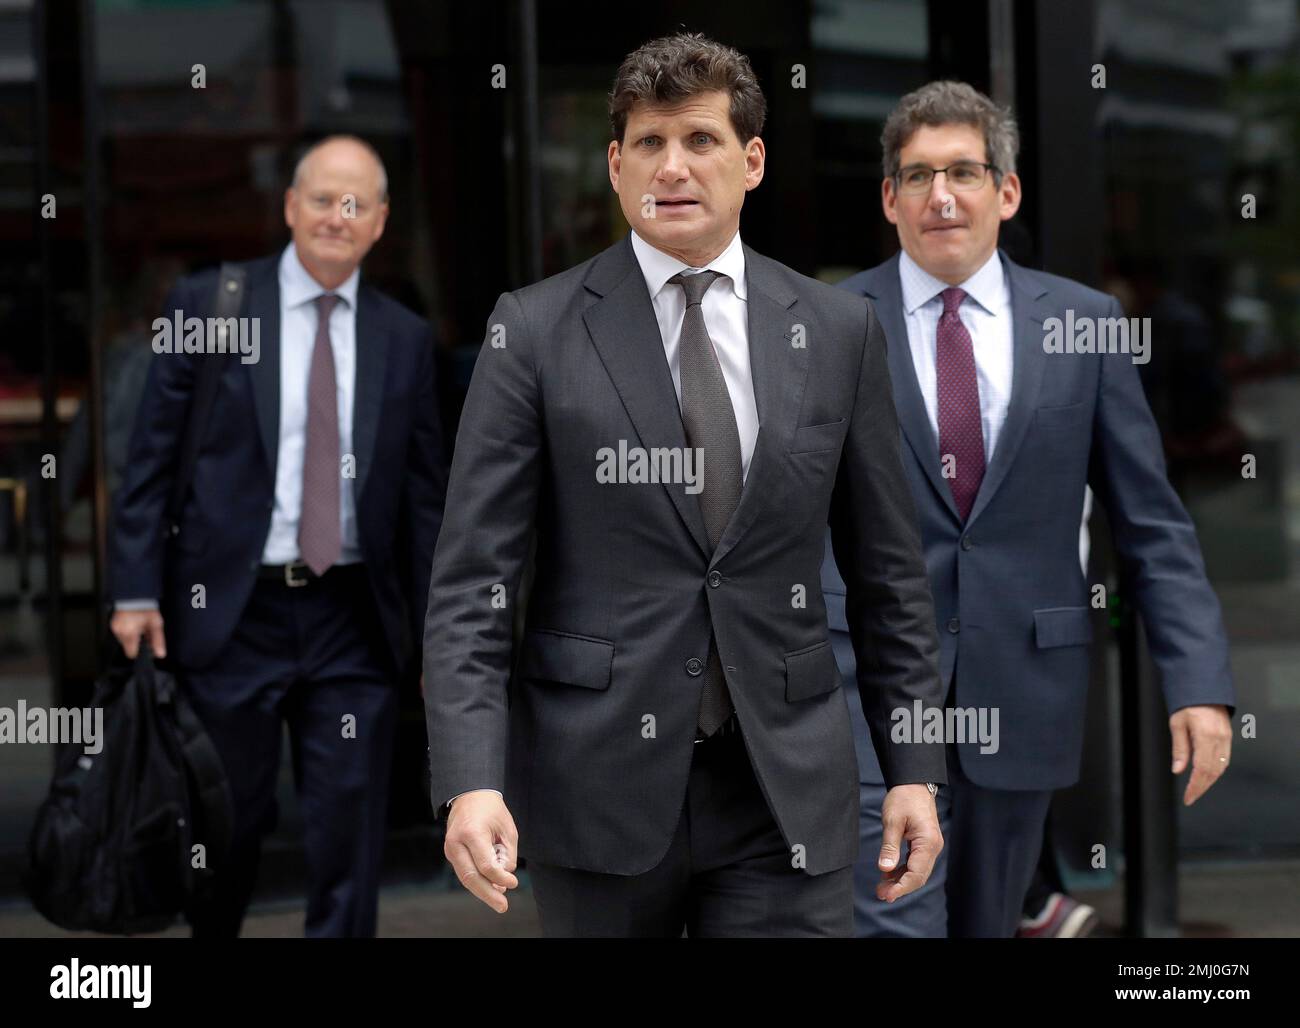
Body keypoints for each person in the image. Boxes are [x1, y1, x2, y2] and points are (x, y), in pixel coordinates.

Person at [422, 32, 947, 938]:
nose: (675, 167)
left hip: (782, 794)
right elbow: (474, 583)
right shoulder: (535, 333)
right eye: (651, 144)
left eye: (700, 140)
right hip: (597, 788)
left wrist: (913, 767)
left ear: (752, 162)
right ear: (618, 167)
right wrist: (471, 778)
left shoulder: (836, 331)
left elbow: (888, 574)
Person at [826, 81, 1236, 937]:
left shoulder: (1086, 325)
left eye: (965, 172)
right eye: (918, 175)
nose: (941, 195)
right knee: (891, 916)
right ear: (890, 199)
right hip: (863, 695)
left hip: (1024, 690)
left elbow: (1151, 523)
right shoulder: (827, 324)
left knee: (986, 921)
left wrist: (1197, 682)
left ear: (1006, 192)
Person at [109, 135, 447, 937]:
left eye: (356, 202)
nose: (338, 215)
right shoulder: (210, 306)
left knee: (349, 829)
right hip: (232, 612)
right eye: (323, 198)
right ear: (291, 208)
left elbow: (426, 499)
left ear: (380, 222)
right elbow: (149, 458)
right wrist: (133, 587)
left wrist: (442, 633)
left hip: (354, 620)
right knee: (227, 821)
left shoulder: (403, 338)